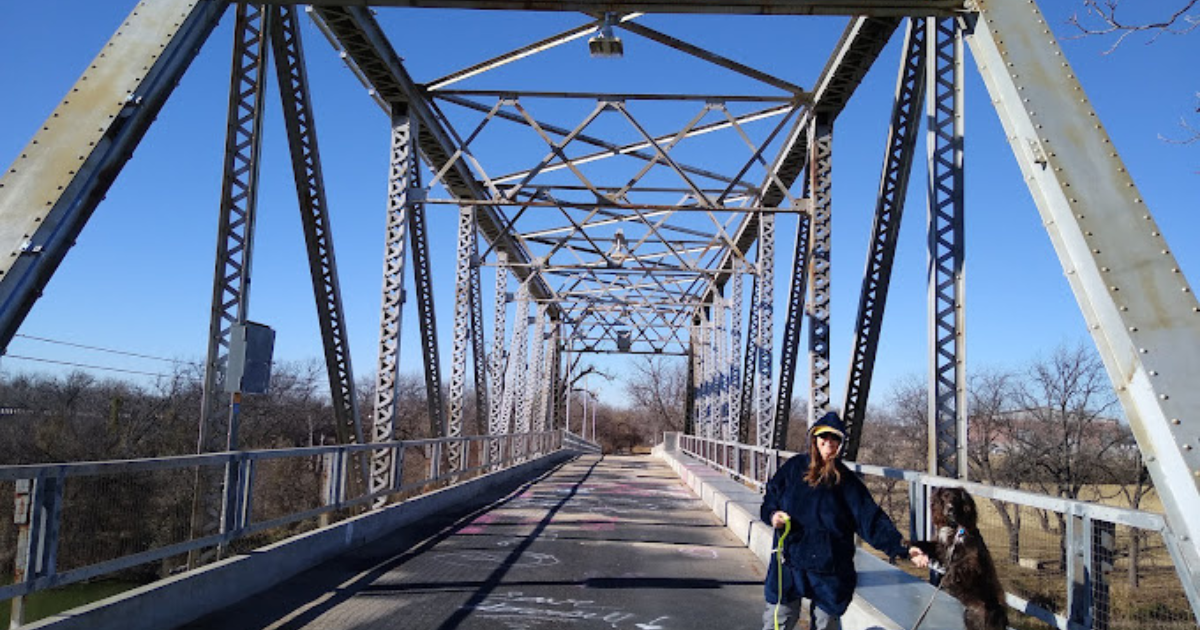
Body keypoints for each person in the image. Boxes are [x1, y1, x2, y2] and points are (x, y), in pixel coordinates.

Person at [760, 411, 929, 630]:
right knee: (779, 619)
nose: (829, 443)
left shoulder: (847, 481)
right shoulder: (793, 469)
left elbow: (871, 519)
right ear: (814, 439)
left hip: (830, 568)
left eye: (835, 438)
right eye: (824, 437)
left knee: (826, 623)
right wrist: (773, 515)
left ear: (840, 444)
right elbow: (770, 499)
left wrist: (904, 549)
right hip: (790, 562)